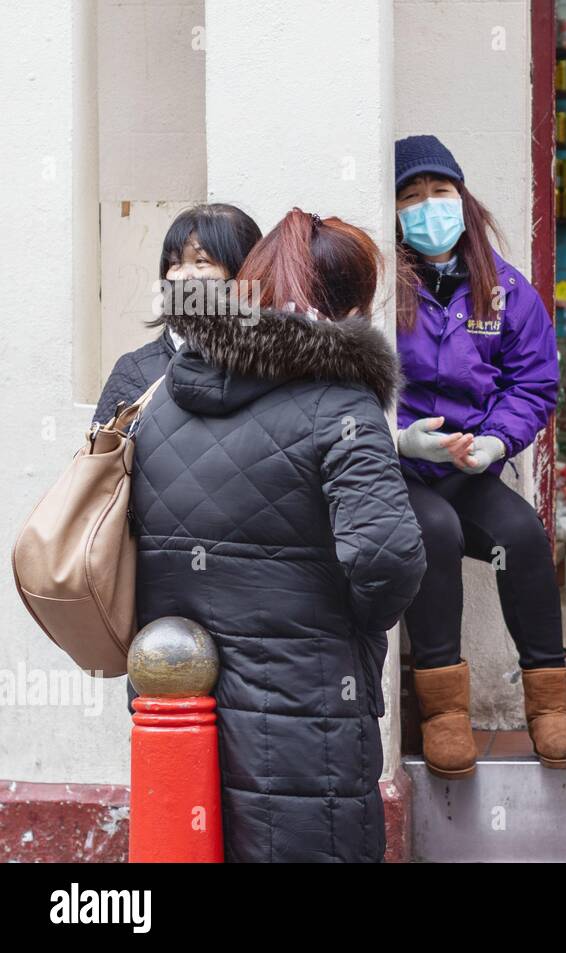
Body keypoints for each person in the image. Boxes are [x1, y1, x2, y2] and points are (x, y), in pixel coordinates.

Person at [129, 208, 426, 862]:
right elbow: (388, 554)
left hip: (176, 710)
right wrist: (355, 626)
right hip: (304, 715)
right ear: (351, 304)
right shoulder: (339, 402)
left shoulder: (164, 395)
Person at [392, 134, 566, 780]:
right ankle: (446, 712)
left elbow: (533, 382)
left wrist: (498, 441)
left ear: (463, 198)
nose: (428, 208)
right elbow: (349, 380)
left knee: (523, 534)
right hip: (402, 474)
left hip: (471, 468)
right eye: (411, 197)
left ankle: (549, 703)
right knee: (436, 531)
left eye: (439, 193)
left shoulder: (503, 288)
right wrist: (398, 436)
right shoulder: (377, 286)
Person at [92, 203, 261, 423]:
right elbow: (102, 454)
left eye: (201, 261)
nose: (182, 276)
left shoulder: (275, 367)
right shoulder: (136, 371)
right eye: (175, 263)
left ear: (244, 269)